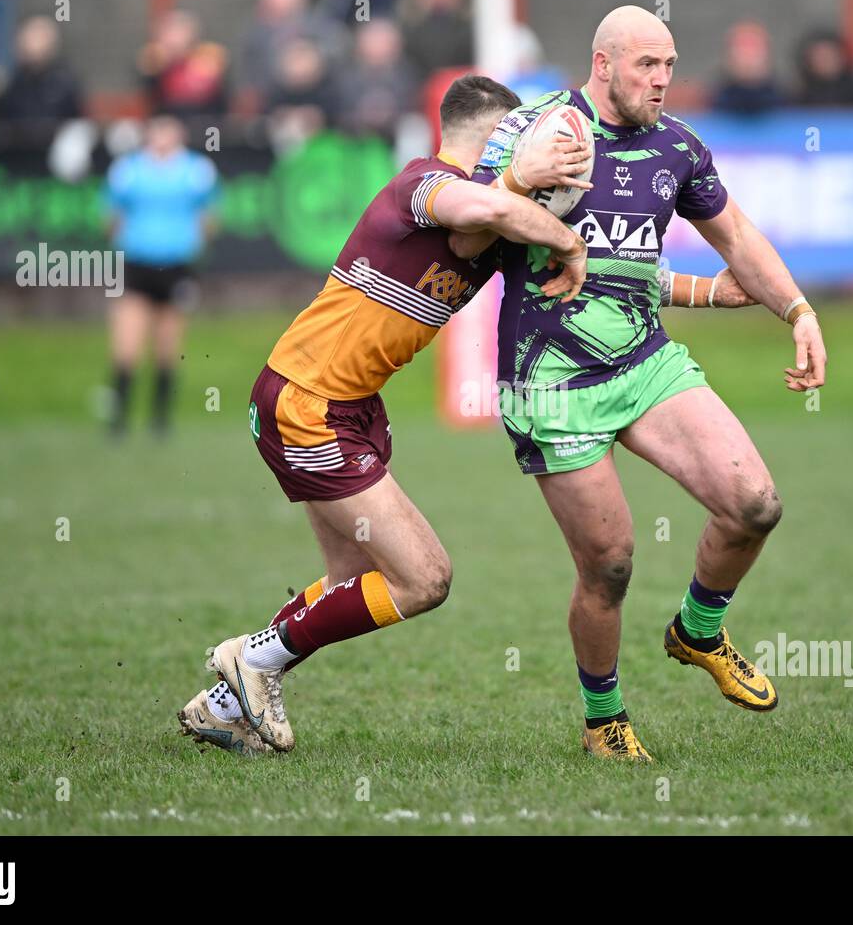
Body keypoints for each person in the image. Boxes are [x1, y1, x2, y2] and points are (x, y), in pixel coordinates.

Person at [453, 5, 828, 761]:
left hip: (645, 363)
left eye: (669, 65)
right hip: (550, 379)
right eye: (645, 66)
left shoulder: (677, 146)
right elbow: (466, 231)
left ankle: (698, 630)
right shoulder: (535, 130)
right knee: (611, 566)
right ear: (602, 64)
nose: (661, 80)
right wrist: (519, 180)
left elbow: (738, 240)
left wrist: (796, 309)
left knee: (755, 505)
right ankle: (604, 721)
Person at [179, 75, 593, 754]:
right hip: (306, 402)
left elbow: (483, 232)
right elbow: (469, 208)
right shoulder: (425, 184)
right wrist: (545, 211)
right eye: (512, 139)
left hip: (349, 405)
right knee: (424, 577)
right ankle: (252, 663)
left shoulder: (486, 216)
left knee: (352, 581)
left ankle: (228, 701)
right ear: (494, 138)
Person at [104, 116, 218, 438]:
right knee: (126, 344)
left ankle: (160, 420)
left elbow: (208, 216)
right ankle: (118, 419)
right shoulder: (128, 170)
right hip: (138, 265)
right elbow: (112, 215)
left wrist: (191, 246)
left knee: (168, 344)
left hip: (177, 267)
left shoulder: (196, 171)